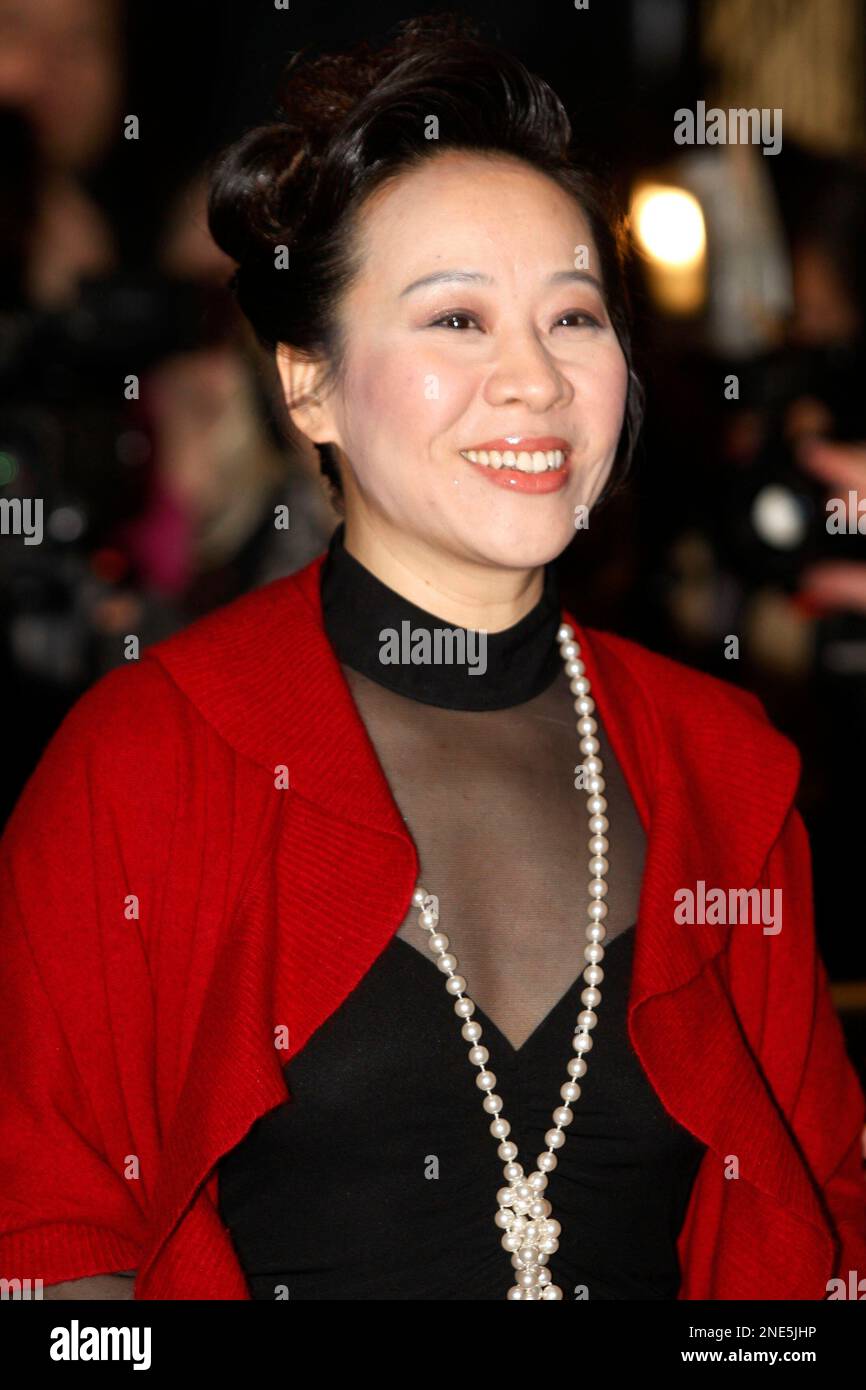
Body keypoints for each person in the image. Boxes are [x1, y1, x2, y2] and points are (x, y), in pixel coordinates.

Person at [1, 14, 864, 1302]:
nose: (532, 379)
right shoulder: (143, 763)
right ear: (307, 382)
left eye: (574, 316)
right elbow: (47, 1266)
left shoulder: (726, 774)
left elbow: (819, 1246)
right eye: (456, 319)